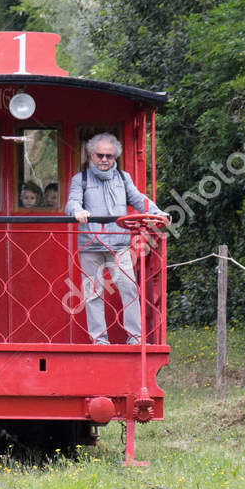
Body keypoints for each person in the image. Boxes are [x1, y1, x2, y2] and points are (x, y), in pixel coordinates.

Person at [65, 133, 164, 345]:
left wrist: (157, 213)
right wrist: (77, 211)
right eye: (100, 155)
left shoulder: (122, 178)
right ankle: (99, 340)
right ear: (91, 156)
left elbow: (138, 199)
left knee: (129, 288)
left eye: (109, 156)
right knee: (93, 293)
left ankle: (135, 338)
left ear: (115, 157)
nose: (104, 160)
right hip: (91, 246)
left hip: (119, 246)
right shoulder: (80, 179)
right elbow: (72, 202)